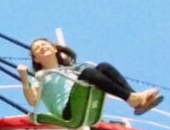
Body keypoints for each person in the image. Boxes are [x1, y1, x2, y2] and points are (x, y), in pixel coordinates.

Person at [19, 39, 162, 118]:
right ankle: (133, 99)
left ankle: (134, 98)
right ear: (36, 58)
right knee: (87, 73)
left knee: (103, 67)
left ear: (54, 48)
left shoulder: (70, 71)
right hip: (68, 111)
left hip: (82, 101)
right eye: (37, 49)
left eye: (44, 44)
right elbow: (33, 101)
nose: (42, 47)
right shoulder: (39, 75)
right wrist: (24, 79)